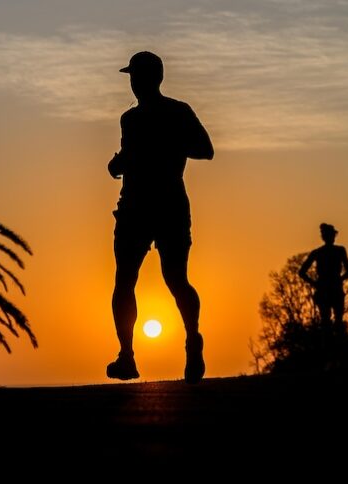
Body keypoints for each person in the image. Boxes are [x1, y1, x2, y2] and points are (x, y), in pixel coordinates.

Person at [106, 51, 214, 383]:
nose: (134, 83)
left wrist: (166, 146)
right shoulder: (129, 119)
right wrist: (119, 164)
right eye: (132, 78)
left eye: (137, 77)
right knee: (125, 280)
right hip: (136, 205)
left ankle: (192, 338)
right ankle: (127, 356)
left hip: (165, 203)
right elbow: (126, 159)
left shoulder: (177, 112)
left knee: (175, 278)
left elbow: (205, 149)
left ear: (153, 78)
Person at [298, 223, 348, 325]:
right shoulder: (338, 251)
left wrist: (315, 283)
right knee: (334, 320)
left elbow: (302, 272)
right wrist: (338, 280)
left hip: (327, 288)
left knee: (327, 320)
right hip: (331, 289)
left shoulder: (319, 252)